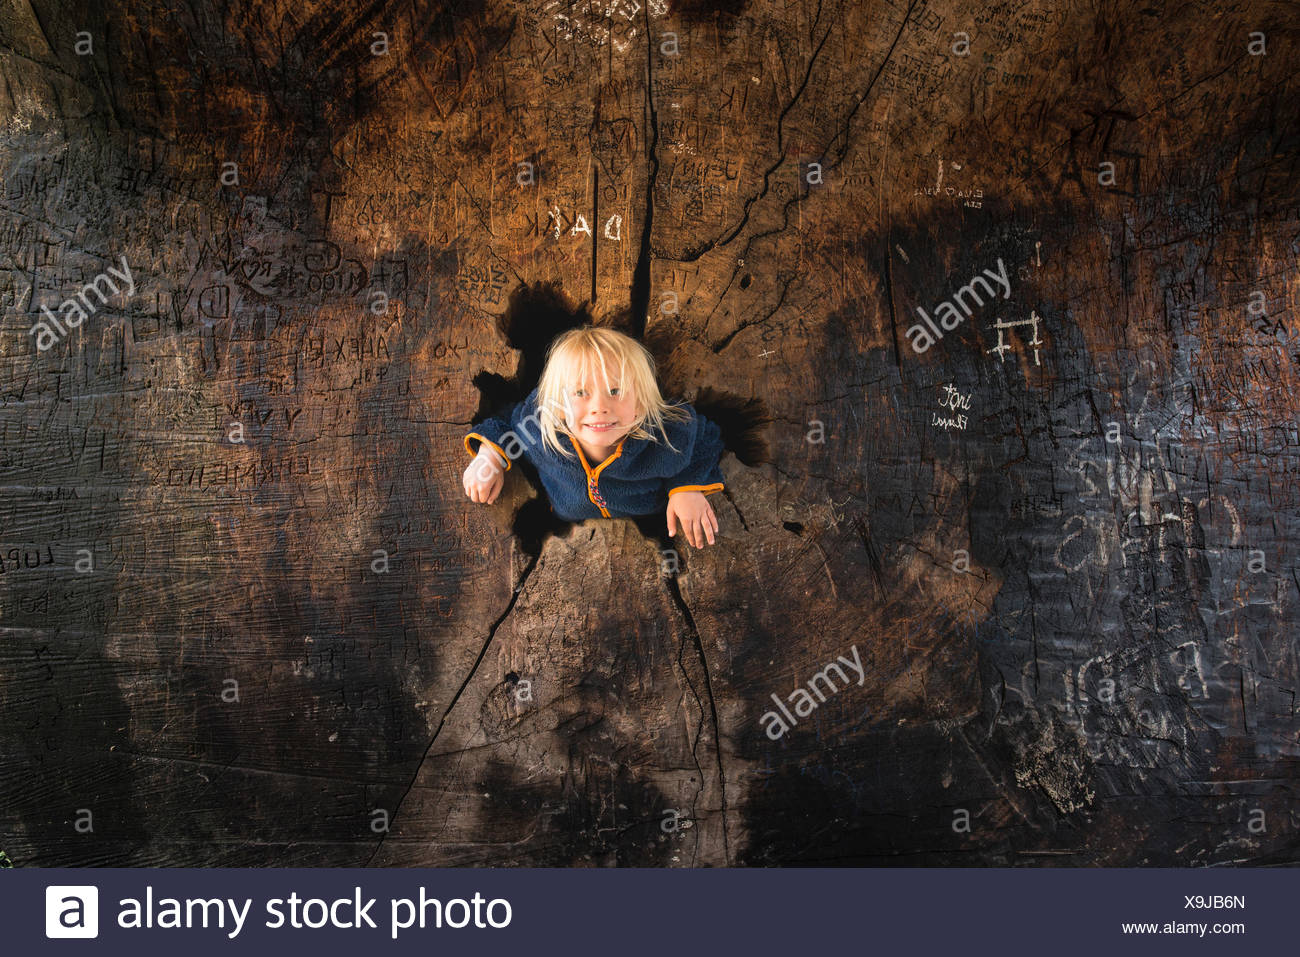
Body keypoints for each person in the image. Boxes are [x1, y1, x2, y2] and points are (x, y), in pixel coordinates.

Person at [461, 326, 725, 548]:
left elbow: (705, 435)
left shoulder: (665, 438)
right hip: (566, 527)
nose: (599, 407)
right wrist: (489, 456)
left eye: (615, 390)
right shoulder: (540, 432)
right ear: (558, 406)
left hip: (651, 523)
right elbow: (506, 422)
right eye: (580, 393)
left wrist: (687, 487)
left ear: (642, 403)